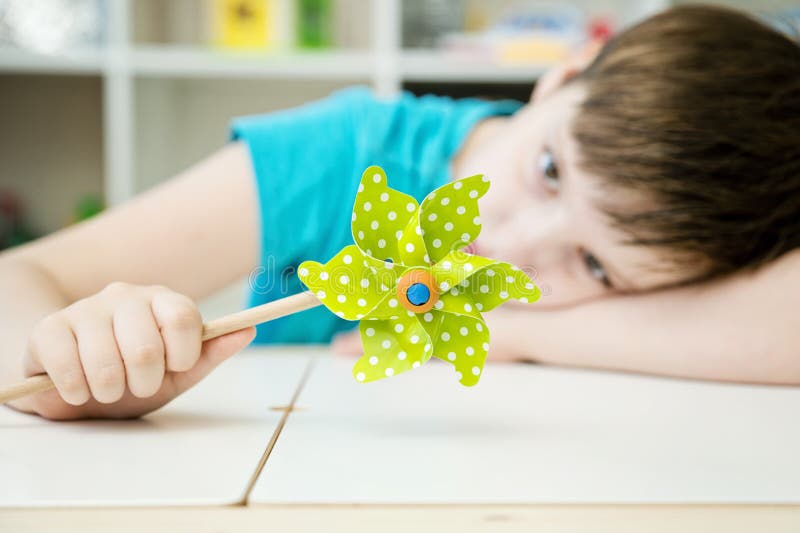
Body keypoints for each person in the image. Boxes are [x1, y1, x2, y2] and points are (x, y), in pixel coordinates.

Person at [1, 5, 798, 420]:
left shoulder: (595, 284)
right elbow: (21, 277)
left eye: (594, 265)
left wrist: (521, 332)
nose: (512, 246)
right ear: (564, 75)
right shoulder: (348, 153)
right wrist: (73, 364)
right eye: (551, 171)